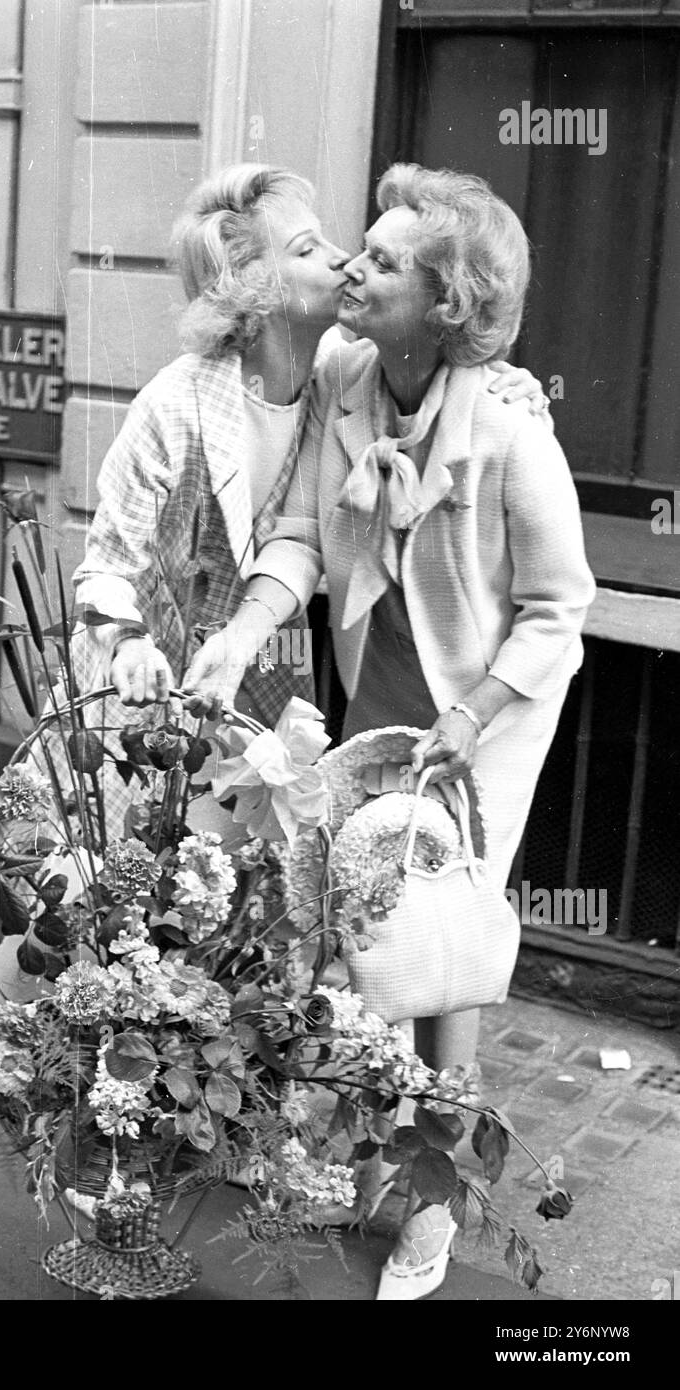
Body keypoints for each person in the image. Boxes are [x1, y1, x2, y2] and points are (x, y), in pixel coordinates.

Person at [185, 162, 596, 1297]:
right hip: (381, 694)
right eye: (354, 246)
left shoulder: (511, 432)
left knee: (438, 950)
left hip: (483, 721)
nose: (356, 266)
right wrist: (241, 632)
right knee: (359, 924)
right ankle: (367, 1146)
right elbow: (309, 538)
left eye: (384, 258)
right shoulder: (349, 373)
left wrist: (468, 715)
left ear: (448, 303)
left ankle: (429, 1205)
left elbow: (564, 605)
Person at [70, 163, 544, 779]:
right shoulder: (174, 403)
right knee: (131, 863)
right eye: (307, 248)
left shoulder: (343, 376)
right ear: (252, 284)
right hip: (141, 689)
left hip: (263, 676)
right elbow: (105, 568)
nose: (344, 259)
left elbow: (437, 368)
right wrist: (130, 644)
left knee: (248, 864)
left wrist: (505, 381)